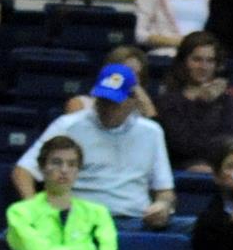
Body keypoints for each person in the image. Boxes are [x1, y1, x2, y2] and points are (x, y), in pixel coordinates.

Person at [13, 64, 176, 229]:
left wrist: (163, 206)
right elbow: (23, 171)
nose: (106, 108)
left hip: (136, 219)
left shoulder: (151, 132)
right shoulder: (69, 125)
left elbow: (165, 191)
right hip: (81, 220)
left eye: (114, 103)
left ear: (132, 100)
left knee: (194, 227)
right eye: (102, 100)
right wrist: (35, 210)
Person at [158, 32, 233, 173]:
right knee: (205, 169)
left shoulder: (227, 99)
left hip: (228, 162)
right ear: (183, 62)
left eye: (210, 60)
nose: (204, 66)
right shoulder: (169, 101)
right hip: (187, 165)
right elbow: (184, 146)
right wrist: (204, 104)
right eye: (197, 59)